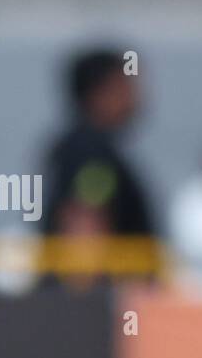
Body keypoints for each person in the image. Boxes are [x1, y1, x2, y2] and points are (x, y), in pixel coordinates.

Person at [40, 48, 155, 240]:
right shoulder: (90, 152)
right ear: (99, 92)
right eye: (125, 85)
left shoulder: (73, 146)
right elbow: (84, 231)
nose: (136, 96)